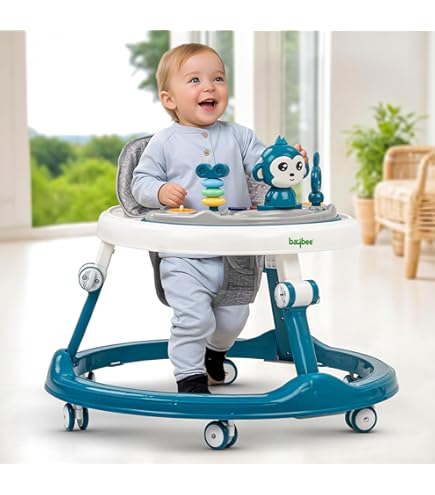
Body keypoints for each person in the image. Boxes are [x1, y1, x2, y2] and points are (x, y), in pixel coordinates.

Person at [131, 43, 307, 393]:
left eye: (218, 78)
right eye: (195, 80)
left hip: (235, 250)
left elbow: (265, 166)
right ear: (169, 99)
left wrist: (284, 161)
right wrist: (160, 191)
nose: (209, 87)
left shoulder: (239, 136)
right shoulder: (163, 142)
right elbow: (140, 182)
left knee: (233, 318)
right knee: (193, 318)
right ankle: (189, 377)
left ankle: (215, 352)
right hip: (184, 253)